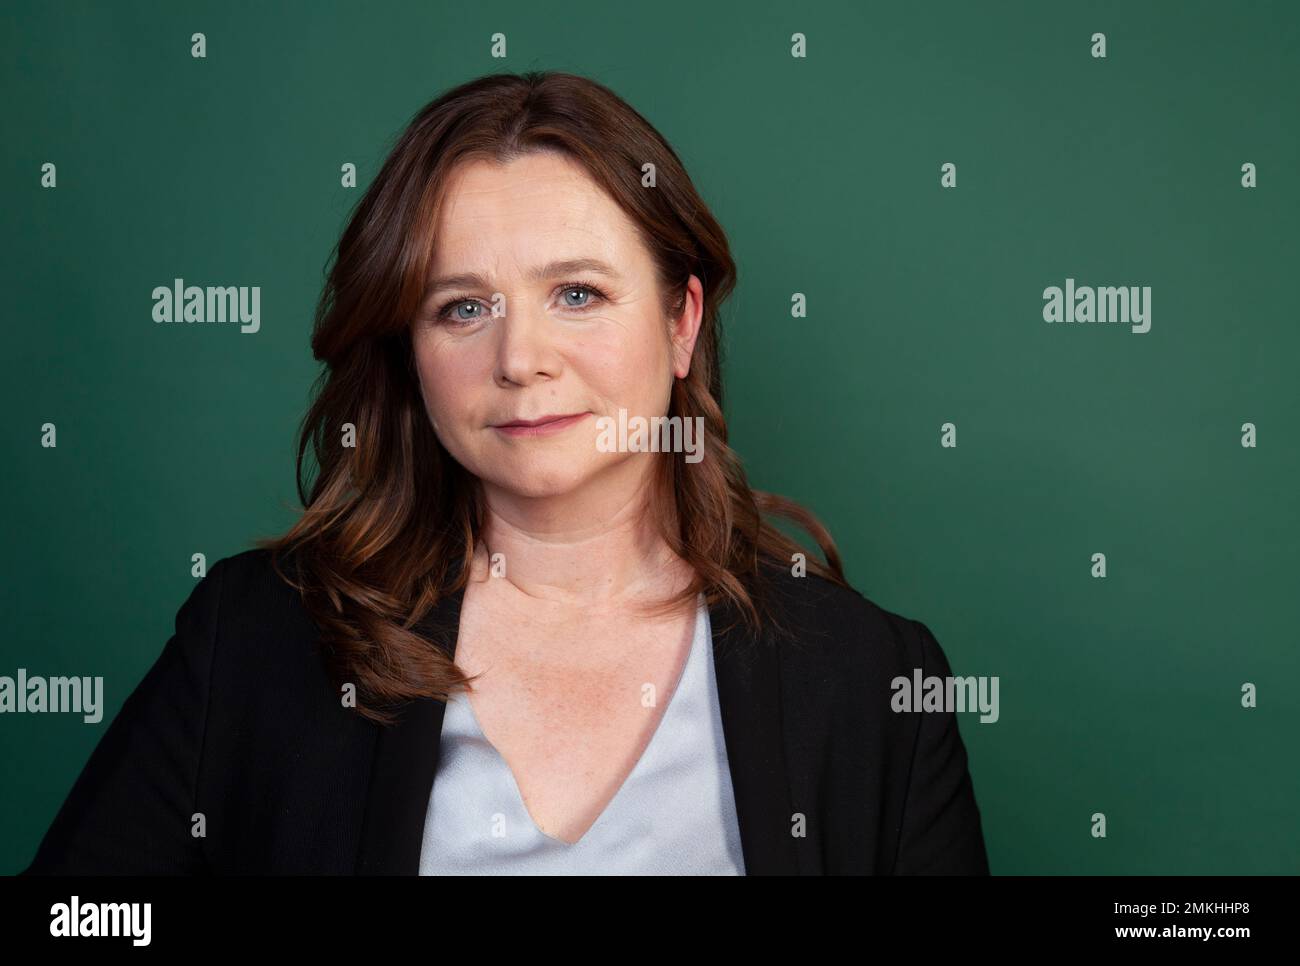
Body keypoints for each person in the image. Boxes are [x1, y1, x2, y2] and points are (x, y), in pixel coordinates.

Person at [22, 70, 989, 875]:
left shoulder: (876, 682)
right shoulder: (256, 641)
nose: (521, 359)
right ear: (411, 350)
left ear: (681, 322)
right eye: (462, 307)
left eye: (578, 293)